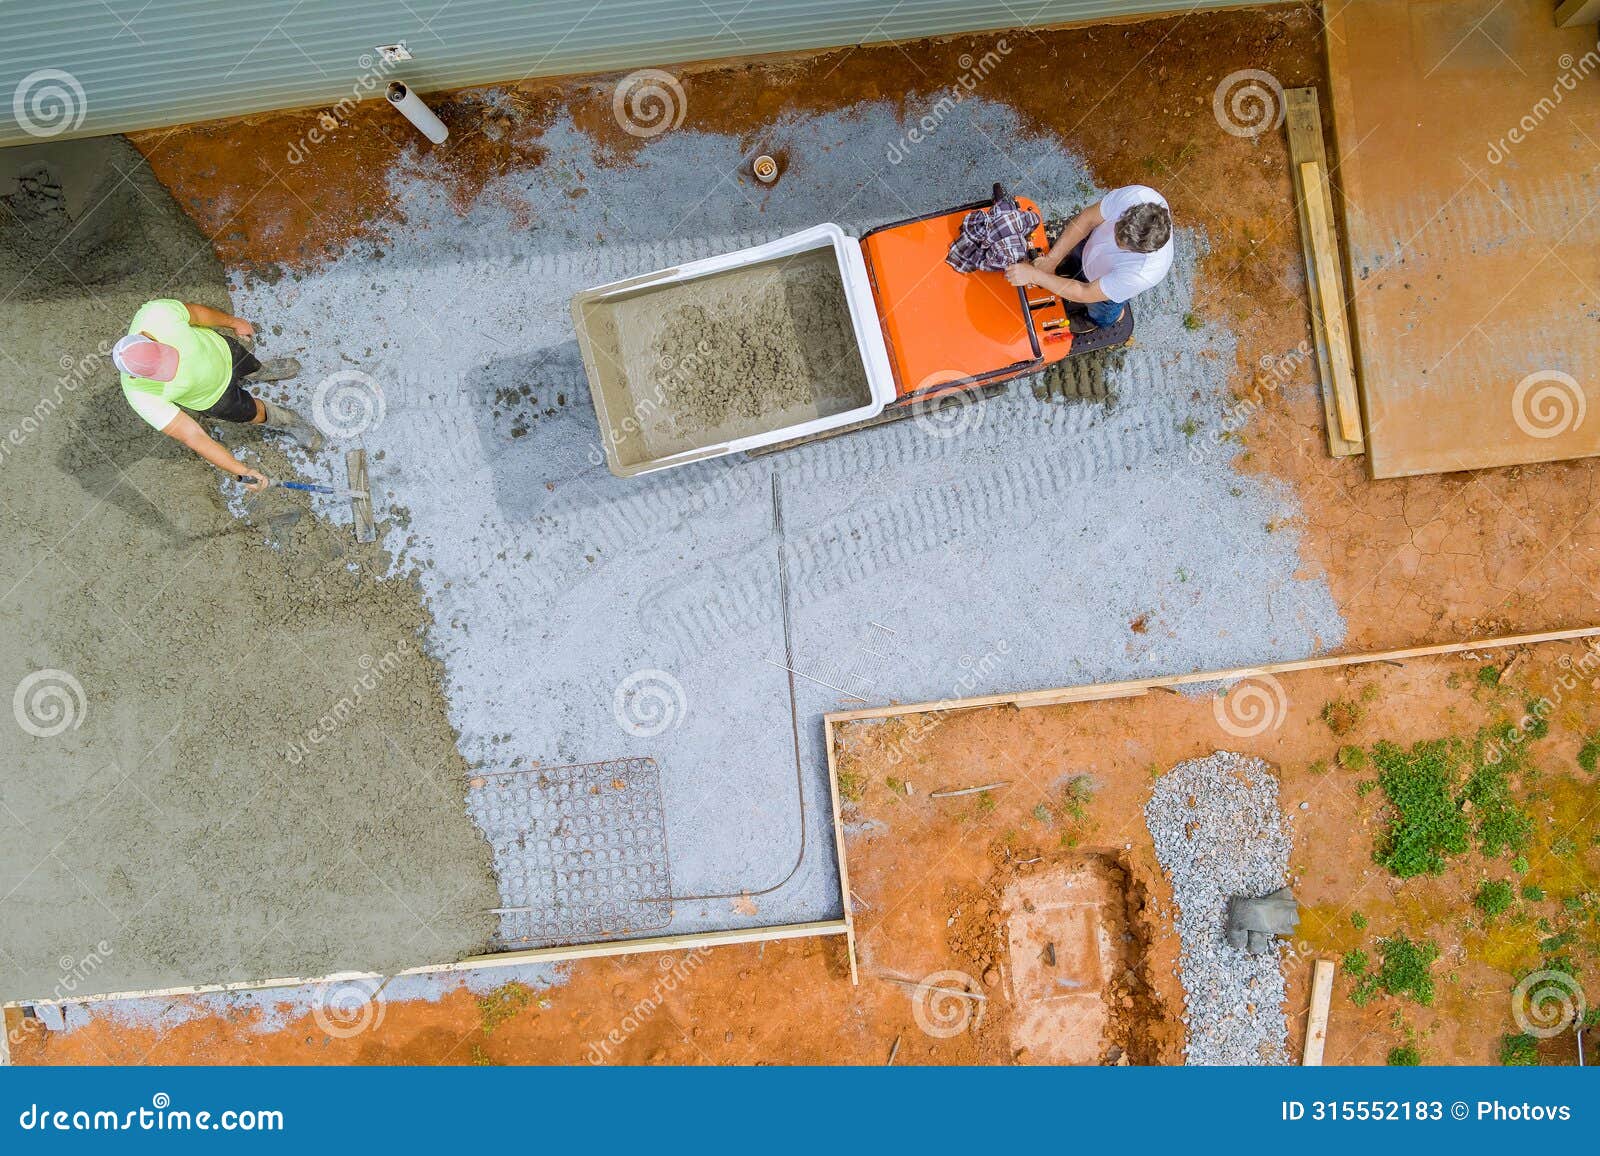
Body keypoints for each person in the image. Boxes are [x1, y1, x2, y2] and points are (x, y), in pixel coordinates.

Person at [114, 298, 320, 491]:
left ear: (148, 336)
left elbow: (196, 313)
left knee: (251, 364)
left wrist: (233, 322)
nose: (175, 369)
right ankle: (290, 422)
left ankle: (261, 371)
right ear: (134, 377)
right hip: (216, 399)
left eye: (167, 355)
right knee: (255, 413)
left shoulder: (156, 313)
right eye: (163, 372)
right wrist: (242, 470)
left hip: (224, 352)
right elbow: (193, 436)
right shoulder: (140, 396)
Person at [1005, 185, 1173, 331]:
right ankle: (1070, 270)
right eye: (1117, 231)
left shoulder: (1142, 273)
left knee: (1101, 310)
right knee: (1075, 258)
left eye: (1121, 244)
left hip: (1106, 285)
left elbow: (1085, 292)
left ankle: (1105, 319)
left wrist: (1035, 276)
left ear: (1142, 251)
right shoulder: (1136, 196)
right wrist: (1051, 260)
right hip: (1090, 248)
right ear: (1130, 212)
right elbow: (1086, 221)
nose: (1115, 240)